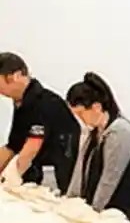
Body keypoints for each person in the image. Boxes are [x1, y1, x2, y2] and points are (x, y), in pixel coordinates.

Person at [64, 73, 130, 223]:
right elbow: (78, 176)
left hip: (126, 218)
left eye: (81, 114)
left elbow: (108, 183)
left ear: (97, 107)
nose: (80, 120)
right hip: (105, 217)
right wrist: (66, 207)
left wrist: (89, 217)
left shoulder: (120, 133)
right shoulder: (94, 134)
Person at [0, 53, 81, 191]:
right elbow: (13, 146)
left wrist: (8, 179)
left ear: (15, 76)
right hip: (35, 172)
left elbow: (31, 148)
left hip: (56, 178)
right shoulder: (21, 103)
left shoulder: (44, 103)